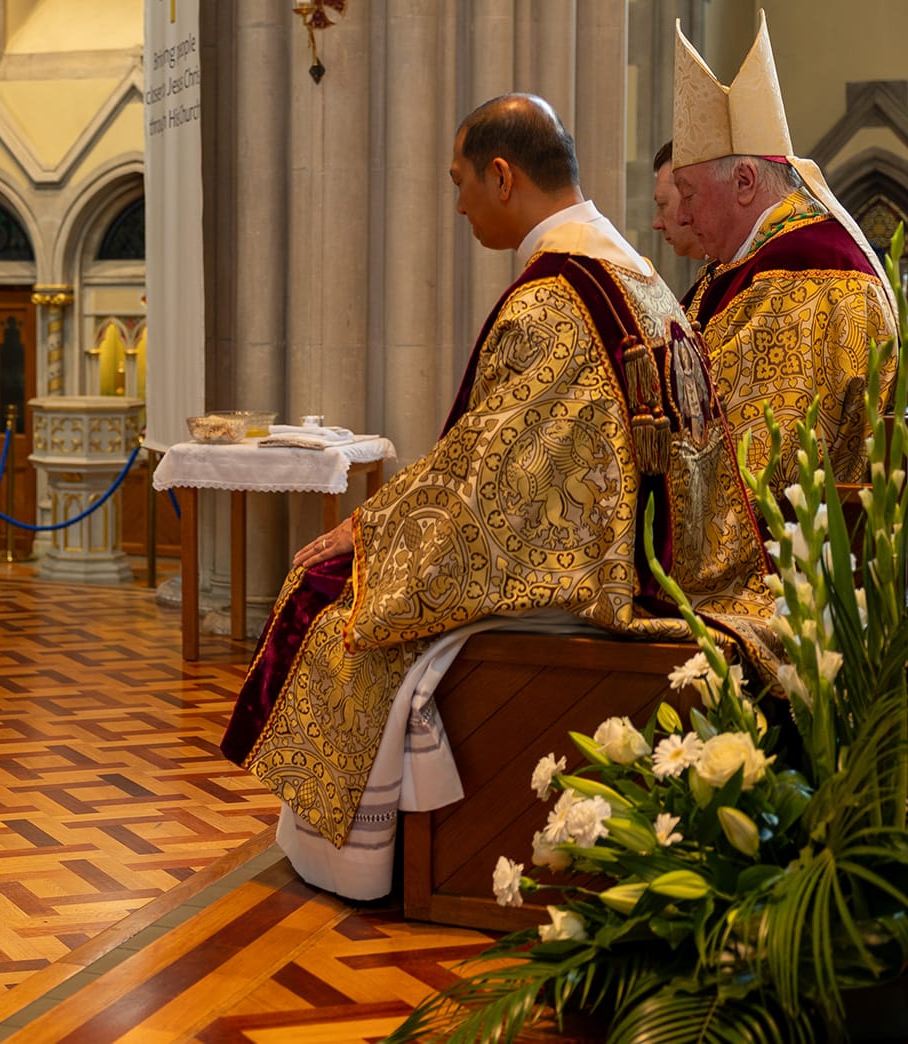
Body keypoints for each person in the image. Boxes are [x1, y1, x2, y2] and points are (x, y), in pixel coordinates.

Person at [219, 95, 775, 901]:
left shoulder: (556, 296)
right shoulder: (636, 276)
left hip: (603, 585)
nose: (457, 204)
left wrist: (371, 534)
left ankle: (360, 860)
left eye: (460, 181)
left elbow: (491, 486)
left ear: (503, 176)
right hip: (668, 561)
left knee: (339, 609)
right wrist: (381, 523)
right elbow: (496, 458)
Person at [671, 16, 898, 488]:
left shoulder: (804, 277)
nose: (683, 217)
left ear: (745, 182)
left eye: (688, 195)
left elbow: (751, 475)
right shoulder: (745, 264)